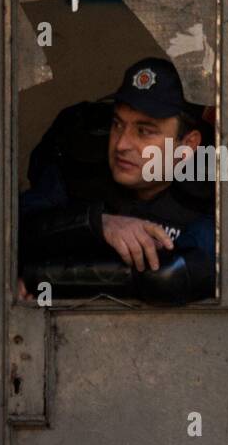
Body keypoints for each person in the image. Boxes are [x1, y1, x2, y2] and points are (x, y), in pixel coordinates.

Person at [18, 57, 216, 305]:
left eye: (144, 131)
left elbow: (168, 277)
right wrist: (97, 223)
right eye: (117, 124)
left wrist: (40, 277)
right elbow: (15, 228)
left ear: (187, 145)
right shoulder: (80, 166)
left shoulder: (214, 192)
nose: (121, 144)